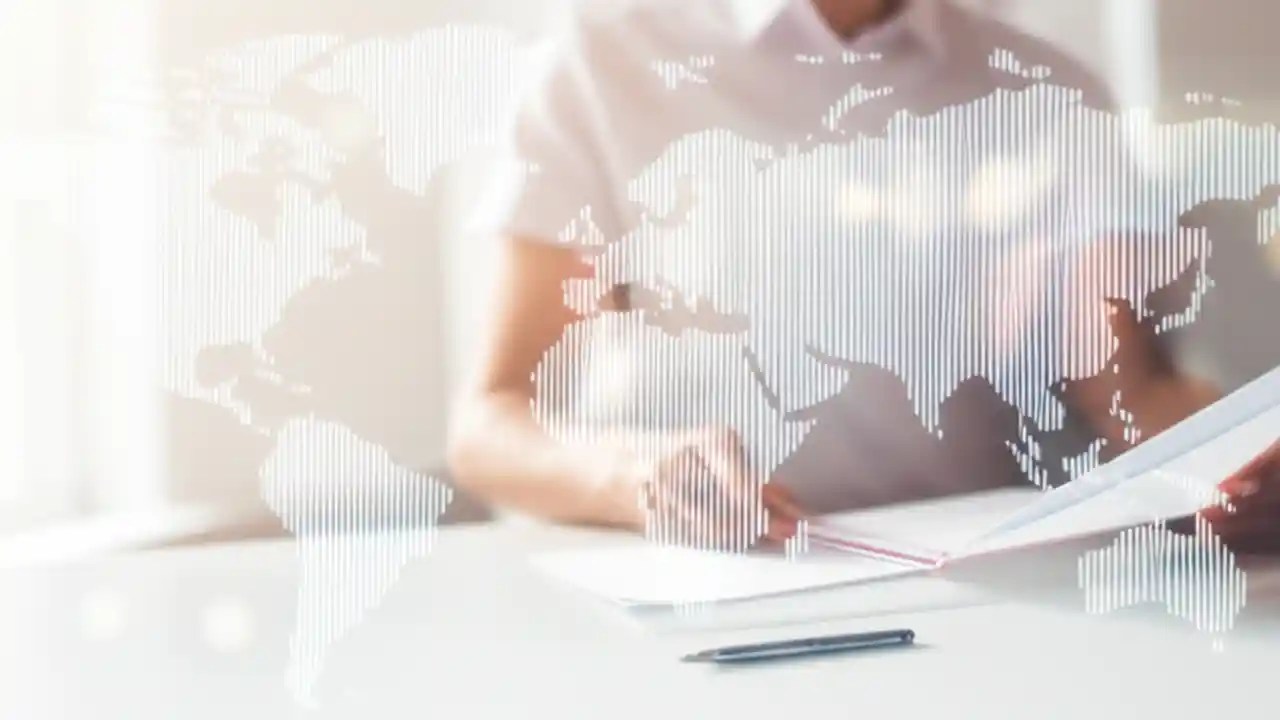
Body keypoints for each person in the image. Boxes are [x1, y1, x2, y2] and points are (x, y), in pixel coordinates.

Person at [447, 0, 1279, 551]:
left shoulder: (1048, 89)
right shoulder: (603, 64)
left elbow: (1127, 397)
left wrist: (1239, 461)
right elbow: (489, 423)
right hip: (684, 598)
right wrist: (635, 476)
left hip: (966, 603)